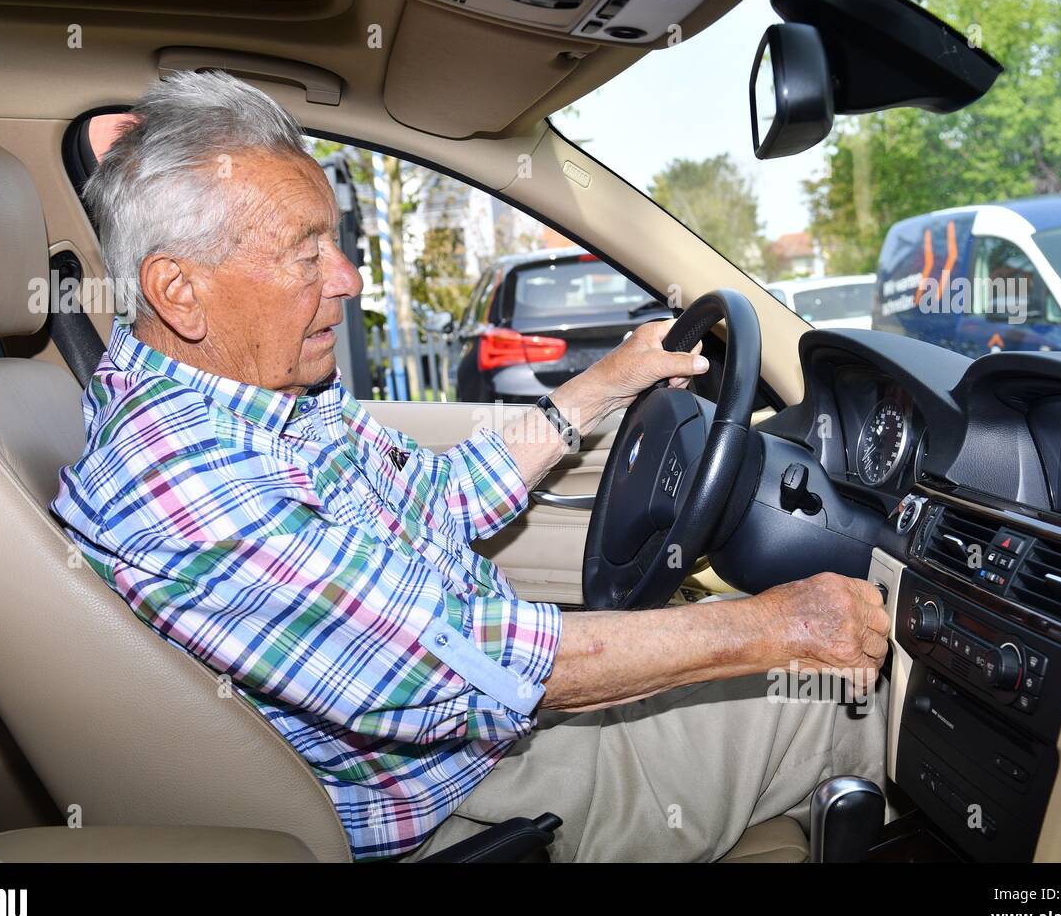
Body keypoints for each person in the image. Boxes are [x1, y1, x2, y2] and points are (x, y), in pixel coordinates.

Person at [52, 70, 890, 862]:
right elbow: (488, 662)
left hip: (492, 733)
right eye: (306, 255)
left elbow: (438, 499)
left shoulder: (251, 398)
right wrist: (778, 626)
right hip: (477, 795)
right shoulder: (186, 482)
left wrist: (607, 383)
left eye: (335, 244)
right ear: (178, 291)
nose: (346, 278)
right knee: (864, 708)